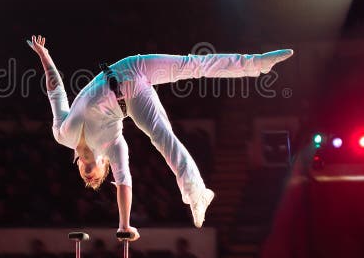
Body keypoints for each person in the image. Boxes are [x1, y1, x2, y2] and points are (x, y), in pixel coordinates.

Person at [27, 35, 294, 241]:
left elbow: (56, 92)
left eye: (87, 178)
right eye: (95, 177)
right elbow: (123, 183)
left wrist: (44, 56)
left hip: (132, 66)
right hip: (132, 100)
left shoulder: (62, 134)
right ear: (103, 164)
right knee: (162, 136)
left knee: (193, 64)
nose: (89, 176)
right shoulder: (113, 144)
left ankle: (257, 63)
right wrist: (124, 225)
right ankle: (197, 193)